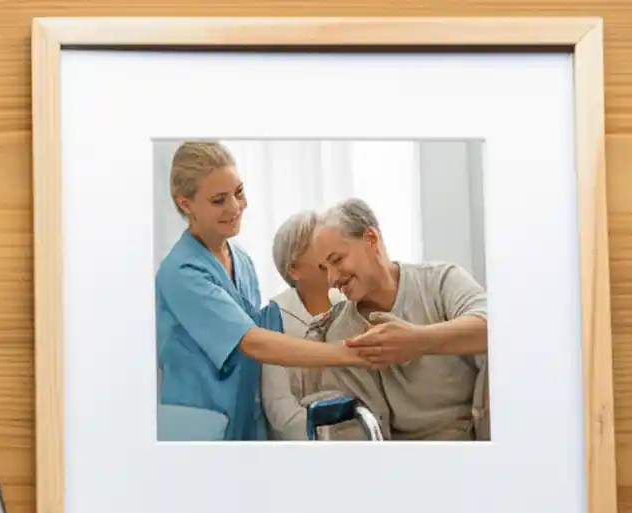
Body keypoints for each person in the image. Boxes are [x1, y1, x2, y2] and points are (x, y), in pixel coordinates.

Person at [155, 142, 373, 441]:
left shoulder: (241, 261)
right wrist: (347, 354)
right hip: (198, 428)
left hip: (245, 420)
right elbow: (252, 343)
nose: (235, 207)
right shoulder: (181, 273)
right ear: (185, 204)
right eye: (219, 200)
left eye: (239, 192)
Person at [313, 197, 490, 441]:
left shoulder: (440, 282)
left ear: (371, 240)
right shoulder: (339, 331)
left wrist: (417, 341)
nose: (331, 279)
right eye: (324, 268)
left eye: (337, 260)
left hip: (473, 448)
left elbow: (493, 329)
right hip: (399, 463)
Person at [260, 210, 347, 440]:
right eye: (316, 241)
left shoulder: (349, 306)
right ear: (294, 269)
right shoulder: (274, 317)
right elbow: (280, 410)